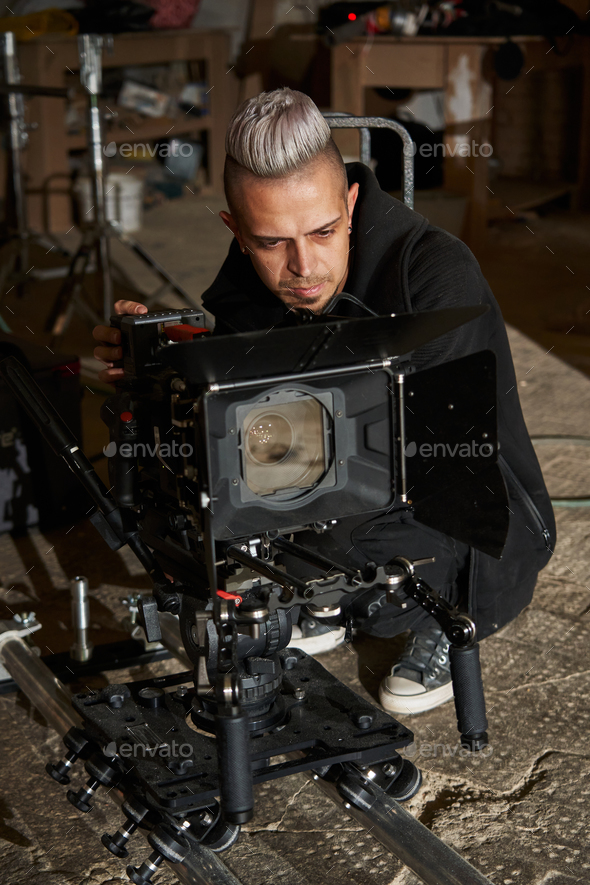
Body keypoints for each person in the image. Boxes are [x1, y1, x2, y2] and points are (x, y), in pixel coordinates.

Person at [93, 88, 555, 716]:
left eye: (323, 231)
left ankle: (447, 621)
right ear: (236, 229)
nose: (302, 266)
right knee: (206, 485)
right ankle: (331, 597)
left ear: (352, 201)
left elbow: (434, 456)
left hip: (456, 499)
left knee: (351, 492)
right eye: (270, 242)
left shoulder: (435, 271)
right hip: (331, 488)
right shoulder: (255, 267)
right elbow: (239, 399)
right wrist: (164, 365)